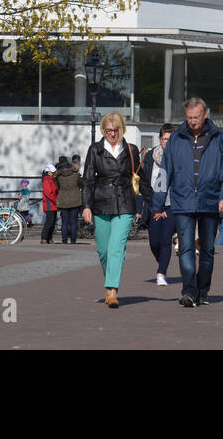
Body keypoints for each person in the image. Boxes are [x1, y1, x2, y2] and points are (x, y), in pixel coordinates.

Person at [158, 96, 223, 308]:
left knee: (208, 250)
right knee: (185, 248)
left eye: (196, 117)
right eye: (189, 117)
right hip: (182, 201)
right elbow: (165, 170)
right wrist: (157, 202)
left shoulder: (219, 137)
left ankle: (203, 290)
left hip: (210, 200)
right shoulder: (176, 138)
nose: (192, 121)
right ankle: (188, 290)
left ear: (205, 115)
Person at [81, 111, 142, 308]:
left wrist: (155, 206)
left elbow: (143, 177)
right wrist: (86, 206)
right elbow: (88, 180)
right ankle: (111, 279)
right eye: (108, 130)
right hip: (101, 202)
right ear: (103, 130)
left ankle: (112, 290)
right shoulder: (95, 150)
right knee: (104, 251)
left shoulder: (131, 149)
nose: (112, 134)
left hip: (124, 202)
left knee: (116, 246)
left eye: (115, 130)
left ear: (121, 129)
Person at [141, 125, 176, 283]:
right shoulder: (150, 156)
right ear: (159, 139)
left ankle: (161, 272)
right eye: (165, 139)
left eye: (171, 140)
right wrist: (154, 204)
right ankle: (162, 262)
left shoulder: (178, 157)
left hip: (171, 204)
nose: (167, 143)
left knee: (166, 239)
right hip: (153, 204)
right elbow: (144, 181)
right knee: (154, 242)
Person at [53, 156, 82, 244]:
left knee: (64, 222)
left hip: (63, 199)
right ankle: (73, 240)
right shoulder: (76, 174)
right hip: (75, 199)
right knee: (73, 221)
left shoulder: (58, 176)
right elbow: (80, 184)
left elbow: (57, 187)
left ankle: (64, 240)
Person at [39, 164, 59, 244]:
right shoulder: (46, 180)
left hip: (53, 203)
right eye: (52, 172)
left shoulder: (51, 179)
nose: (53, 173)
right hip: (49, 204)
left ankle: (49, 238)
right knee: (49, 222)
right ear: (48, 172)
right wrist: (56, 201)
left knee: (53, 221)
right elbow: (49, 193)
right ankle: (44, 237)